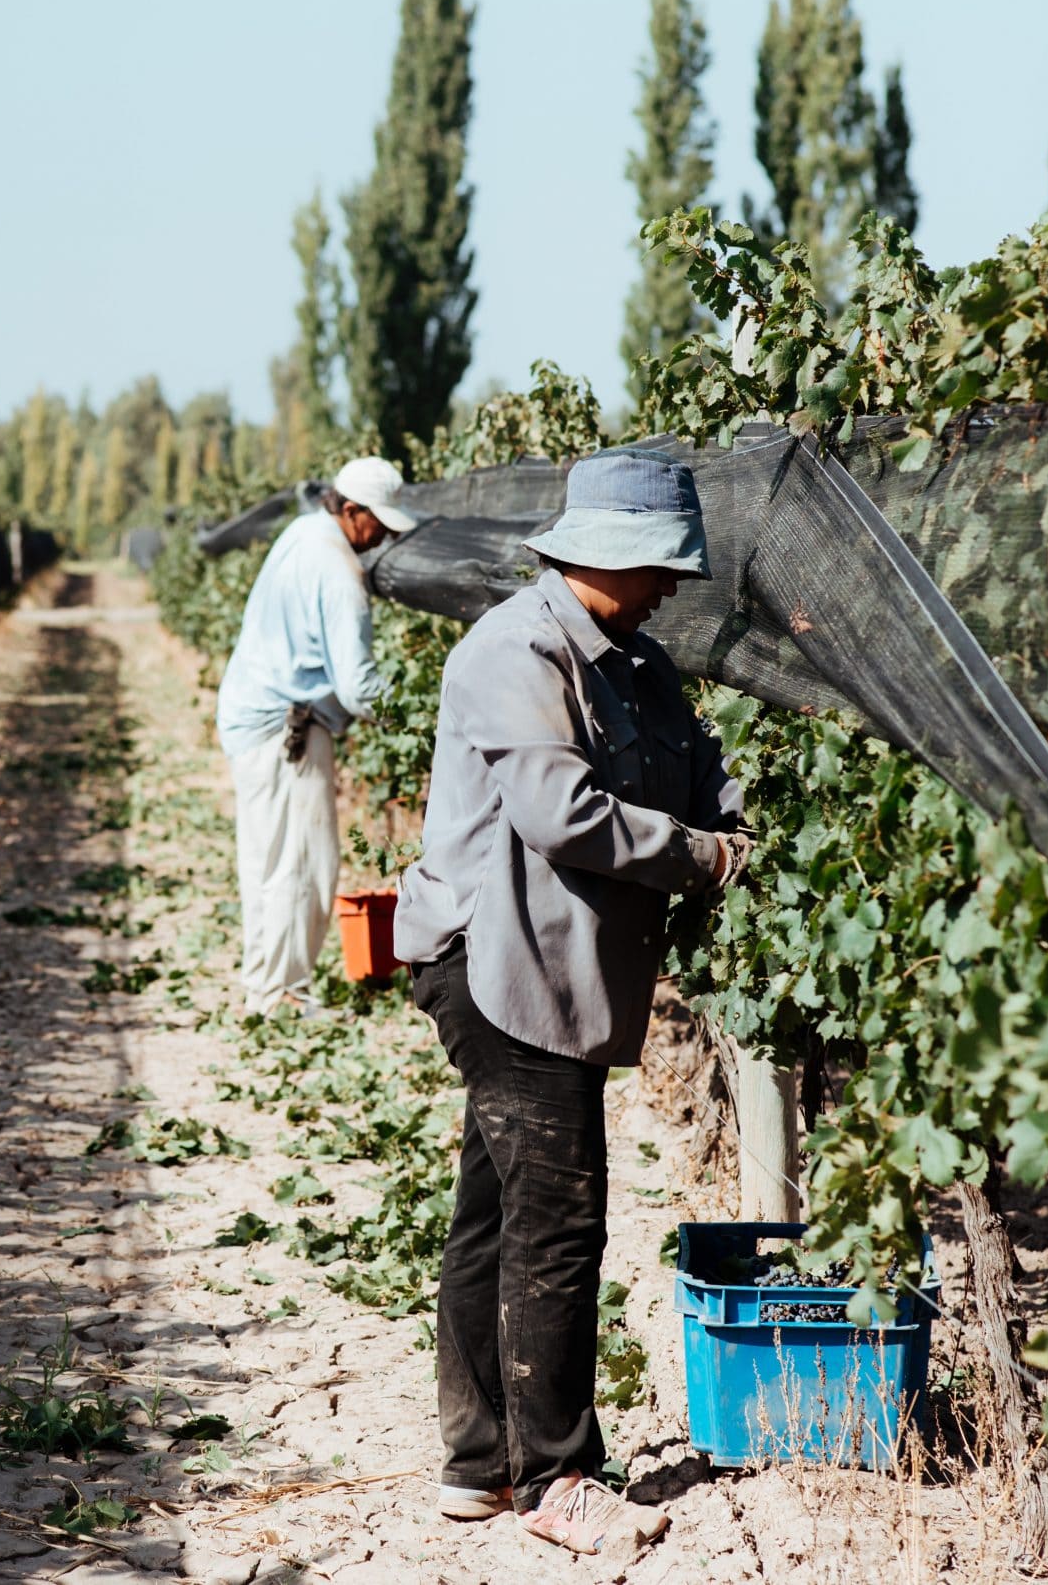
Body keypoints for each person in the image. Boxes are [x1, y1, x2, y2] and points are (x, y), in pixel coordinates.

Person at [393, 446, 750, 1557]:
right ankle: (554, 1478)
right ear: (611, 556)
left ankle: (477, 1463)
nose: (672, 589)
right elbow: (563, 814)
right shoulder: (515, 650)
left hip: (562, 963)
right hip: (501, 963)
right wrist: (703, 858)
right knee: (558, 1217)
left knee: (497, 1210)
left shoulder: (632, 660)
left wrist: (740, 814)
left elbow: (699, 764)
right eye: (662, 568)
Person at [215, 456, 417, 1014]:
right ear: (351, 511)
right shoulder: (340, 572)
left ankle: (265, 986)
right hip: (287, 728)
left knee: (267, 857)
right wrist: (419, 716)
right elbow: (358, 688)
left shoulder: (303, 530)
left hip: (250, 711)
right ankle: (281, 996)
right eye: (377, 523)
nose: (379, 538)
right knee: (301, 863)